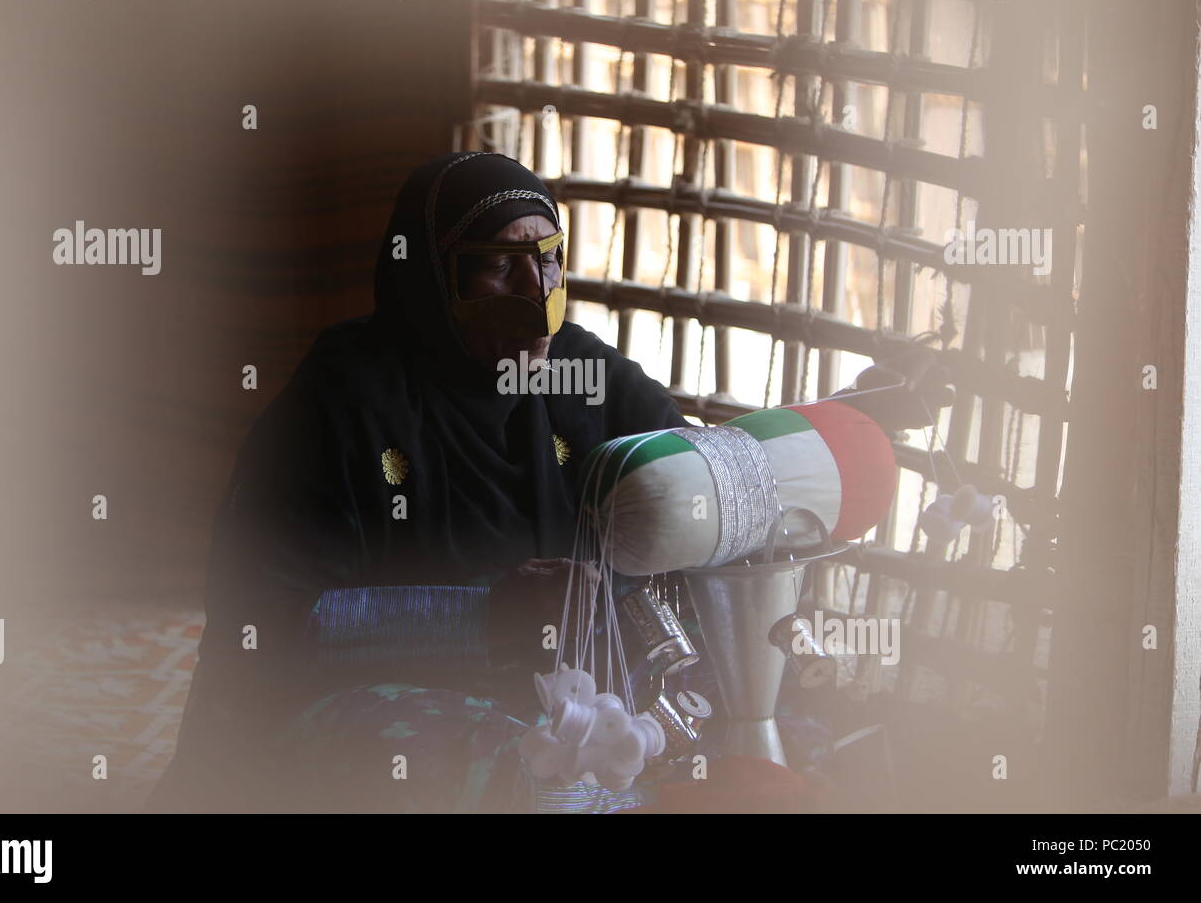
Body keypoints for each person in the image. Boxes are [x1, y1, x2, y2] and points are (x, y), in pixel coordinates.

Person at [146, 151, 950, 814]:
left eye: (549, 260)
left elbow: (694, 479)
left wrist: (834, 422)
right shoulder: (343, 399)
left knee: (793, 721)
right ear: (429, 279)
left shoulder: (582, 374)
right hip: (359, 696)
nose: (537, 299)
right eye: (497, 269)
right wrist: (484, 617)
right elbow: (279, 628)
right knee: (447, 765)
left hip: (560, 693)